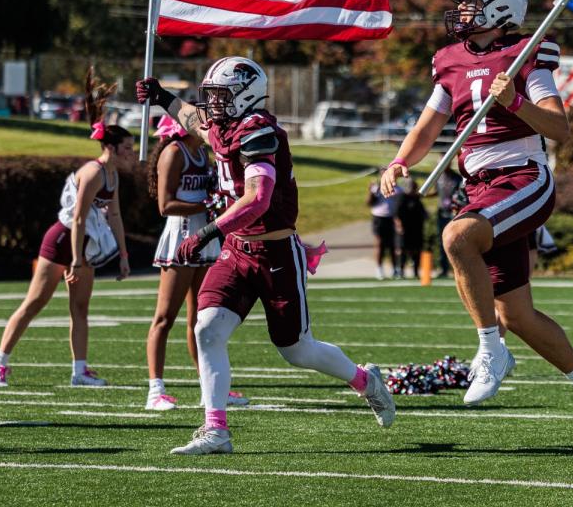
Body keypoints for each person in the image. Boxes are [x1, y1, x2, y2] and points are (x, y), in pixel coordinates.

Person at [379, 0, 573, 438]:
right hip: (481, 185)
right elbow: (428, 124)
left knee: (457, 236)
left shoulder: (525, 55)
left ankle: (490, 350)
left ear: (502, 7)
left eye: (471, 2)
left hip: (524, 176)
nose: (461, 11)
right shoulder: (449, 60)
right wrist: (401, 160)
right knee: (516, 314)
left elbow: (559, 127)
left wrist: (516, 104)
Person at [136, 56, 395, 455]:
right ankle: (216, 430)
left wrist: (208, 231)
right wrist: (160, 97)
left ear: (245, 96)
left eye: (222, 96)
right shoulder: (223, 125)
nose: (213, 104)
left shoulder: (260, 132)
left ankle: (364, 381)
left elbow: (258, 200)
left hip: (275, 251)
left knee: (297, 350)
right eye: (213, 96)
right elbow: (190, 118)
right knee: (206, 330)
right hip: (237, 251)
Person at [0, 69, 132, 388]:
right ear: (112, 146)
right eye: (128, 148)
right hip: (64, 240)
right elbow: (78, 218)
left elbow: (115, 216)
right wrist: (77, 259)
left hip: (84, 244)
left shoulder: (113, 175)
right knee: (35, 302)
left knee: (80, 308)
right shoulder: (93, 173)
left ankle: (80, 371)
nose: (131, 154)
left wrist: (123, 254)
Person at [144, 115, 247, 411]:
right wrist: (208, 205)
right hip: (179, 237)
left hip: (203, 238)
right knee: (164, 317)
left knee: (200, 319)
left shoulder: (202, 152)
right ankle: (155, 390)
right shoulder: (174, 153)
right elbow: (165, 205)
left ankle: (209, 387)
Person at [368, 172, 402, 279]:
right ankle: (379, 269)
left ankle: (395, 269)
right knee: (380, 244)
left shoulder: (398, 189)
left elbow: (400, 206)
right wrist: (371, 192)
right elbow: (369, 203)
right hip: (379, 218)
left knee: (393, 245)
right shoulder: (377, 189)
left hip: (391, 218)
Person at [433, 164, 463, 278]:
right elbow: (436, 192)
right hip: (442, 212)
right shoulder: (438, 177)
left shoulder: (456, 178)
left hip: (454, 212)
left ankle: (457, 268)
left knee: (456, 240)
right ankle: (443, 268)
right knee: (443, 242)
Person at [397, 177, 427, 279]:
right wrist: (399, 226)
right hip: (406, 228)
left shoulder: (417, 199)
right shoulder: (403, 198)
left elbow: (423, 213)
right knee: (403, 250)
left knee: (417, 250)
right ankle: (401, 271)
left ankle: (416, 271)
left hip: (417, 228)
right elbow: (397, 214)